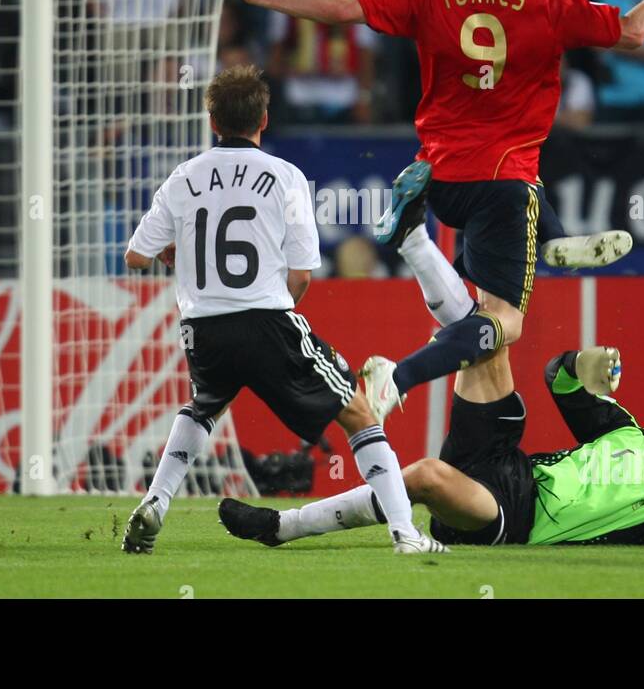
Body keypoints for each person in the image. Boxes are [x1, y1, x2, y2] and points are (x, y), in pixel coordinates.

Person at [218, 0, 644, 418]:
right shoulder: (545, 2)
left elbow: (344, 9)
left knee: (478, 311)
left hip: (442, 179)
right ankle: (401, 373)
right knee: (505, 323)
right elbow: (636, 31)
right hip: (504, 184)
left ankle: (548, 241)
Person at [121, 65, 445, 555]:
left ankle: (156, 502)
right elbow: (302, 274)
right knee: (359, 413)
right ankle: (405, 534)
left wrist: (175, 252)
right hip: (267, 320)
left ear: (212, 119)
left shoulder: (183, 178)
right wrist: (271, 320)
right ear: (265, 118)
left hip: (202, 329)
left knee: (204, 404)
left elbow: (137, 256)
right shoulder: (284, 176)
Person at [220, 345, 644, 548]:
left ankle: (282, 527)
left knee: (427, 476)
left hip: (512, 516)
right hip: (509, 466)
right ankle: (422, 258)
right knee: (491, 343)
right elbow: (560, 379)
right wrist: (581, 363)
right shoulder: (630, 436)